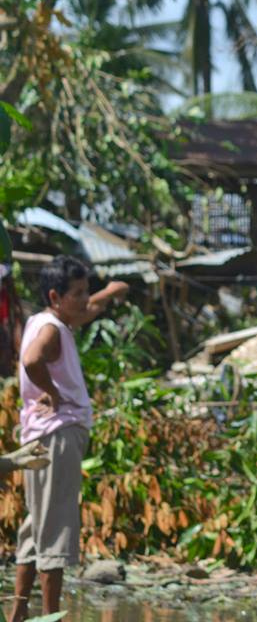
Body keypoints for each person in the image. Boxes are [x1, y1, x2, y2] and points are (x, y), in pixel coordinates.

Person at [12, 256, 129, 622]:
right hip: (57, 437)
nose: (84, 299)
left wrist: (110, 292)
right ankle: (52, 617)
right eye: (77, 293)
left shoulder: (44, 320)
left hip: (40, 437)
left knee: (36, 527)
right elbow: (32, 360)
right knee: (56, 532)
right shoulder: (51, 329)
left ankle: (18, 613)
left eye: (85, 290)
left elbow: (87, 310)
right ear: (55, 296)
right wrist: (53, 392)